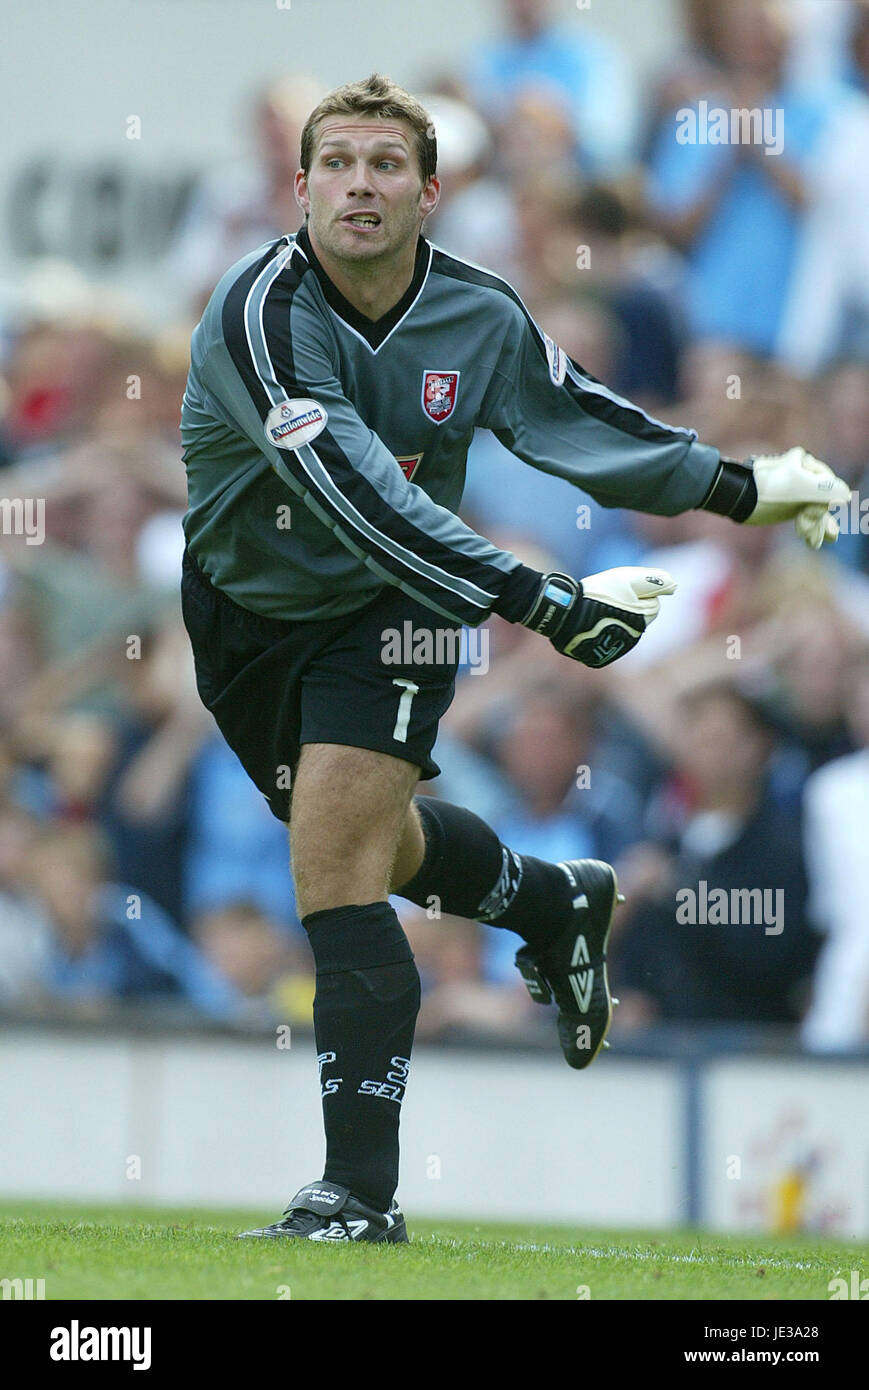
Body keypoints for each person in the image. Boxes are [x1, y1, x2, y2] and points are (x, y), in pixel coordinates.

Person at [179, 74, 849, 1244]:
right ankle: (550, 901)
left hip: (396, 609)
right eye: (336, 164)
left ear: (431, 192)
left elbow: (583, 426)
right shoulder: (258, 312)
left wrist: (743, 486)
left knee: (332, 870)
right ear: (299, 188)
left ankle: (357, 1194)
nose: (359, 185)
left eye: (386, 166)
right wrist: (540, 599)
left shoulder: (477, 315)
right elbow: (353, 491)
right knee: (370, 848)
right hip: (243, 614)